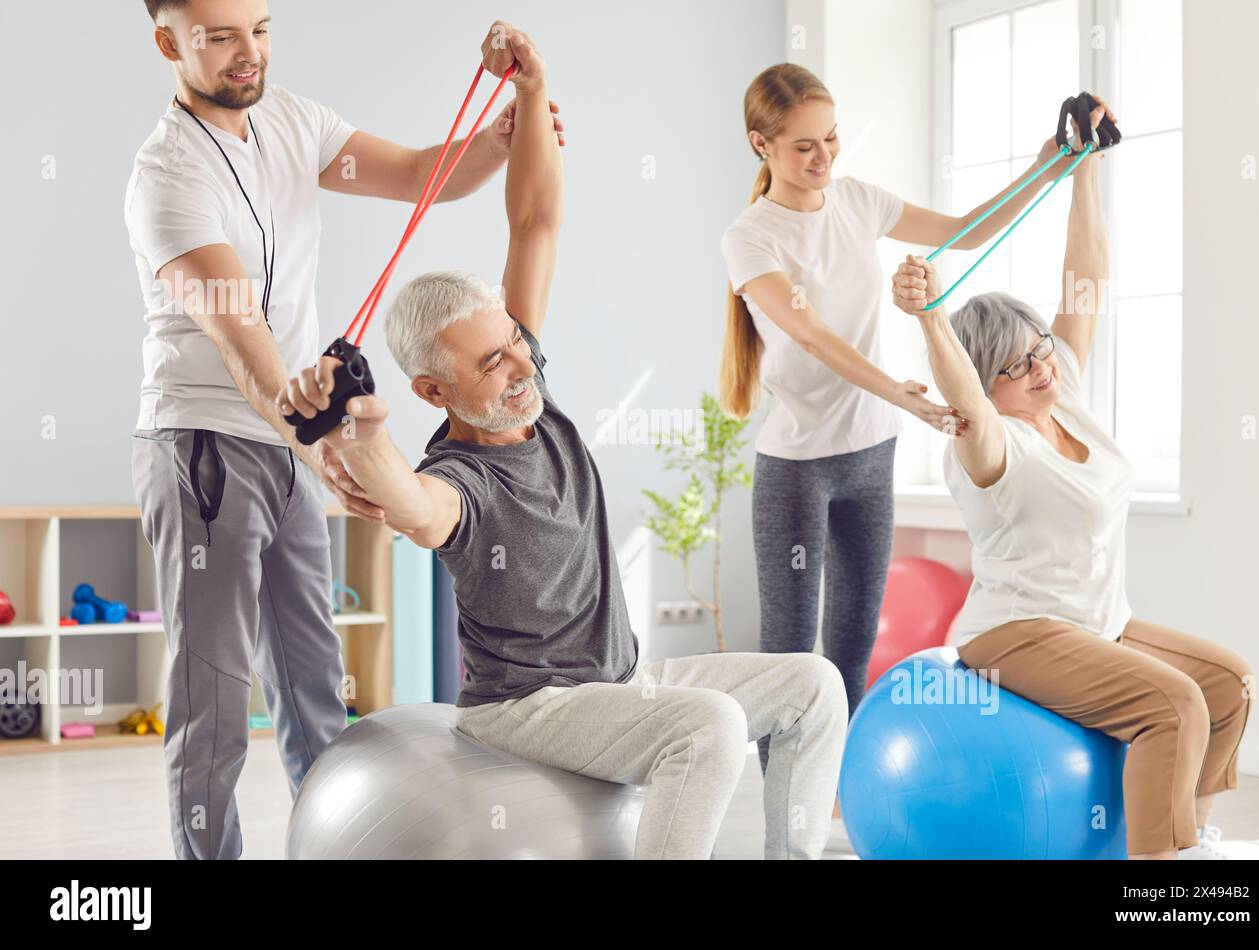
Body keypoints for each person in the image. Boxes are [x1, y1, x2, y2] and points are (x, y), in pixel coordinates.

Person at [278, 26, 847, 860]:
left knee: (815, 684)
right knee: (713, 727)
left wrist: (532, 87)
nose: (520, 365)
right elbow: (412, 506)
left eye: (515, 341)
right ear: (433, 391)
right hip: (530, 709)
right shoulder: (461, 478)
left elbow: (535, 219)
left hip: (623, 681)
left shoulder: (521, 380)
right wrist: (358, 429)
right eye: (491, 360)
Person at [125, 0, 560, 859]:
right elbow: (244, 345)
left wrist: (505, 134)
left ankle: (333, 848)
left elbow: (426, 175)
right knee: (213, 697)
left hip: (293, 439)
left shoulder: (293, 120)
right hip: (207, 445)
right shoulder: (166, 177)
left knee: (315, 683)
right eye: (220, 38)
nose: (249, 54)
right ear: (168, 43)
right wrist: (320, 438)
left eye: (260, 27)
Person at [891, 96, 1252, 860]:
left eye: (1039, 348)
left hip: (1097, 620)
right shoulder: (989, 446)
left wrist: (1085, 165)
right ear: (986, 387)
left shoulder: (1067, 390)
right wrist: (929, 318)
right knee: (1175, 704)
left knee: (1228, 684)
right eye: (1017, 368)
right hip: (1014, 634)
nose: (1040, 367)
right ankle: (1162, 884)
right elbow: (960, 390)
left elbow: (1086, 281)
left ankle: (1194, 838)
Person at [719, 64, 1092, 775]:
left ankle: (843, 802)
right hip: (794, 468)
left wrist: (1047, 166)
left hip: (870, 454)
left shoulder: (855, 200)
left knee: (853, 642)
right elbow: (814, 336)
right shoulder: (751, 236)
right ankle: (783, 822)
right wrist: (902, 393)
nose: (824, 157)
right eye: (804, 147)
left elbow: (964, 230)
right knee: (791, 657)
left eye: (831, 138)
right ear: (760, 145)